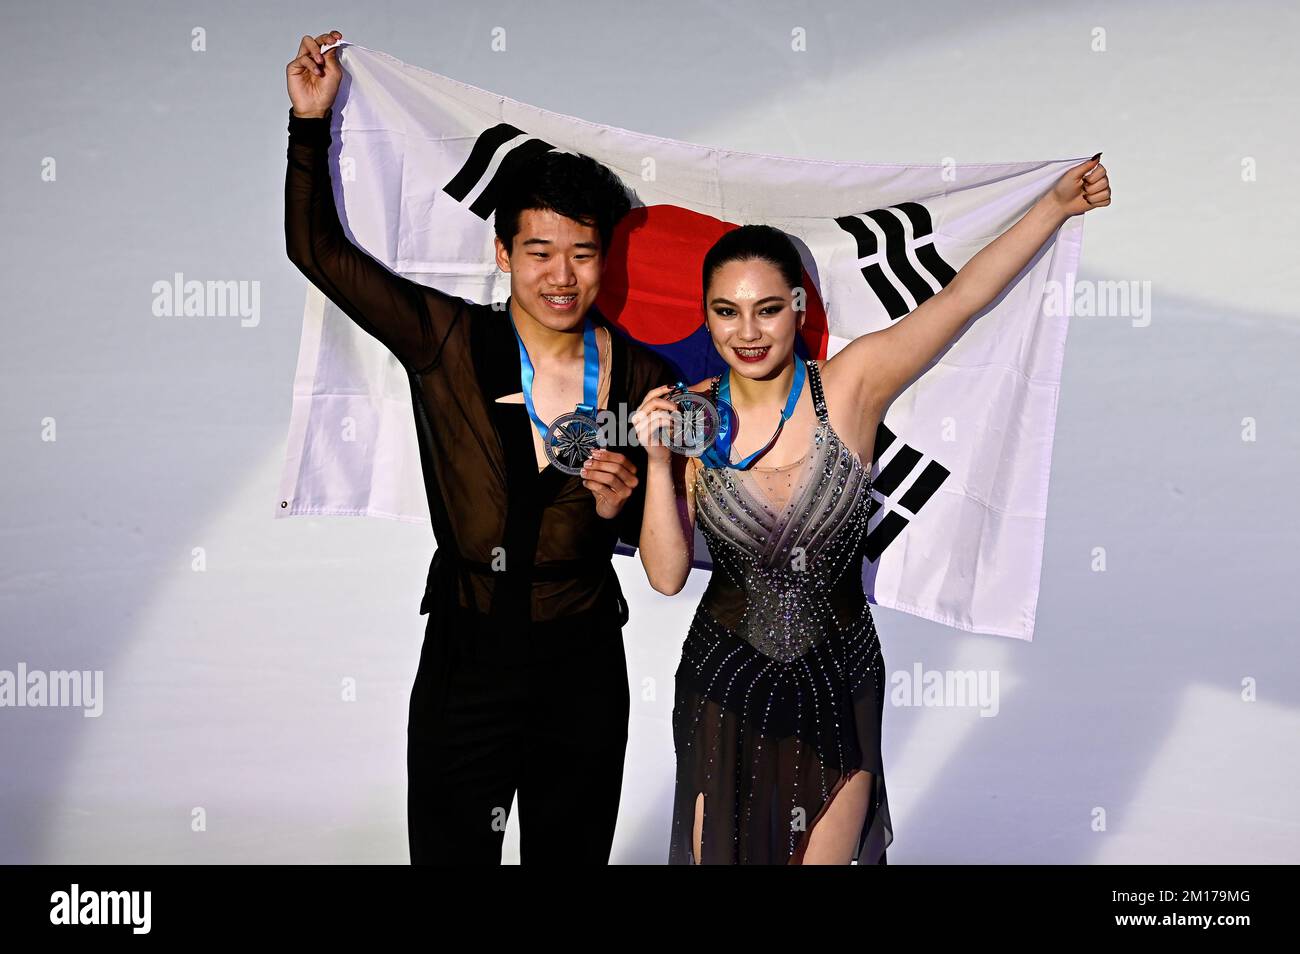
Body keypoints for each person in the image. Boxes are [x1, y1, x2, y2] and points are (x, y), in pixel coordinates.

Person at [631, 158, 1112, 864]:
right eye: (727, 311)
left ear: (798, 305)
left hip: (836, 681)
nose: (749, 331)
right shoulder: (691, 413)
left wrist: (1053, 207)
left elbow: (959, 302)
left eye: (768, 308)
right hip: (722, 682)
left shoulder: (852, 384)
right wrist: (655, 461)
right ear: (705, 314)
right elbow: (668, 578)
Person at [284, 31, 677, 864]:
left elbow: (661, 543)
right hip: (468, 653)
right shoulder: (447, 341)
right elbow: (318, 252)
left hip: (582, 660)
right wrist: (309, 125)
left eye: (581, 253)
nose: (561, 275)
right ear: (503, 254)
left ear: (605, 259)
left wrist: (625, 503)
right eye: (539, 252)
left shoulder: (642, 373)